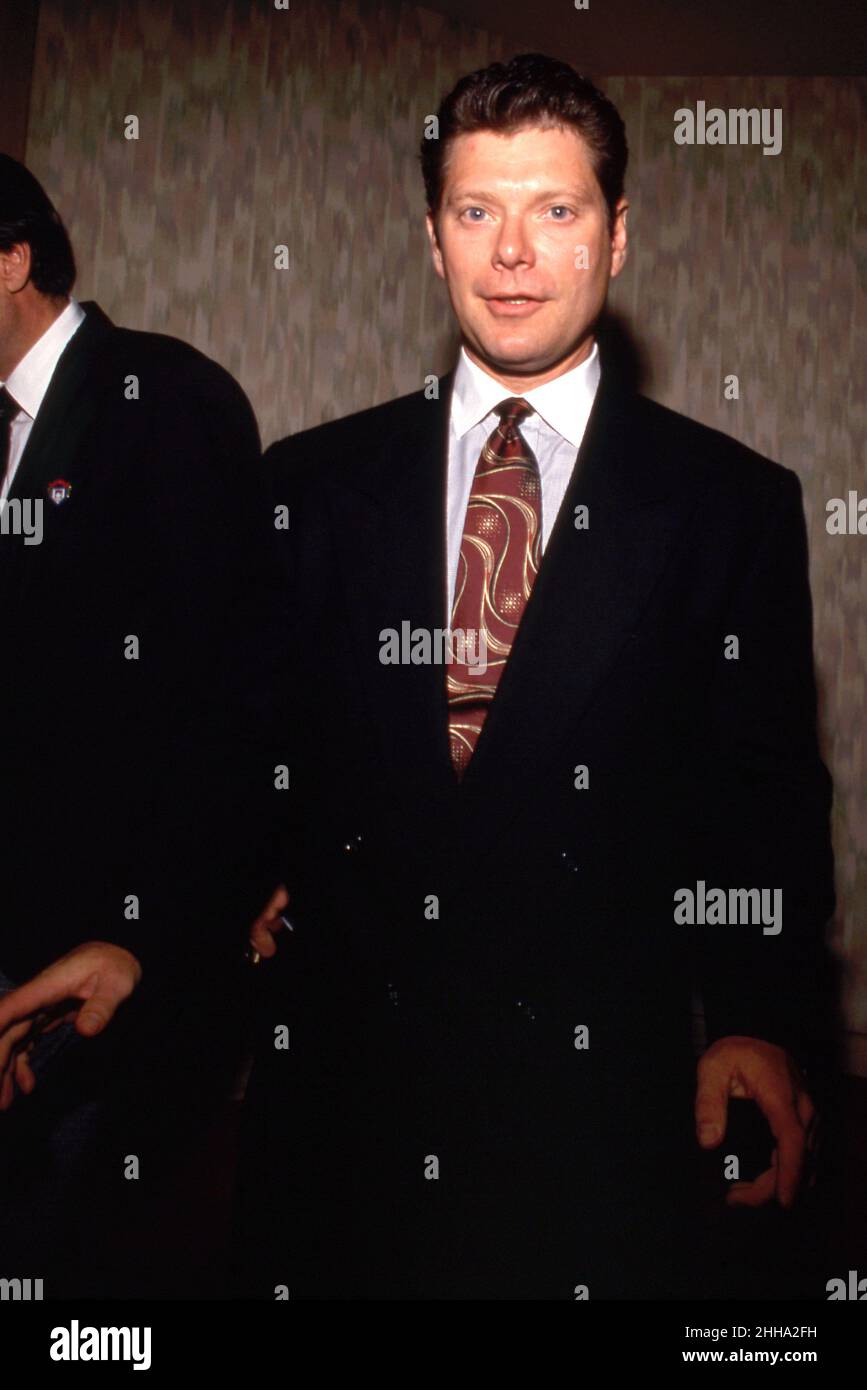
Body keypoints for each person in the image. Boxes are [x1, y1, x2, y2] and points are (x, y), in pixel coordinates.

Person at [234, 54, 835, 1299]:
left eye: (555, 211)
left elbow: (764, 791)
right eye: (477, 211)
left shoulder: (729, 506)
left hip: (589, 1110)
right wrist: (240, 881)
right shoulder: (310, 483)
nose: (513, 252)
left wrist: (754, 1016)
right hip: (342, 1102)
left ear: (617, 239)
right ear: (432, 240)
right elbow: (253, 735)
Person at [0, 155, 275, 1295]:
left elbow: (234, 692)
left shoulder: (156, 395)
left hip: (111, 969)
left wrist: (148, 933)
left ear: (9, 260)